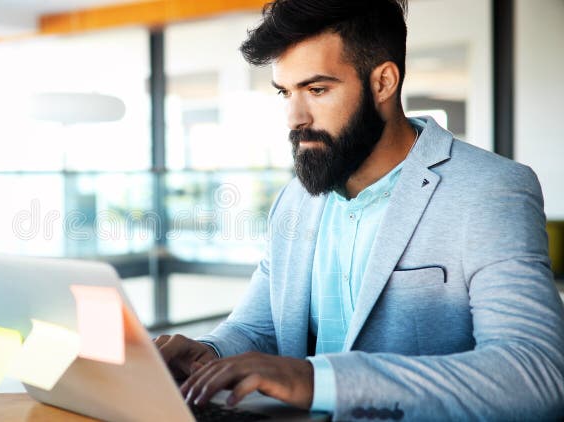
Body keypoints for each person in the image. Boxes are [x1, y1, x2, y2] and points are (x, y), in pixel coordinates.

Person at [154, 0, 564, 420]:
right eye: (285, 92)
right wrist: (209, 351)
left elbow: (535, 375)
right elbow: (261, 328)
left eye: (317, 90)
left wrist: (319, 381)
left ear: (383, 82)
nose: (294, 117)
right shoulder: (295, 198)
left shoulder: (490, 189)